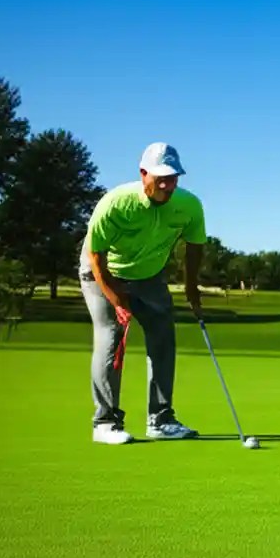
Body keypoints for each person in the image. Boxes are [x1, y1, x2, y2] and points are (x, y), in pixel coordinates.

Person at [79, 142, 207, 444]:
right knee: (112, 337)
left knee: (163, 339)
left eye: (173, 177)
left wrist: (191, 287)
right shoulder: (115, 204)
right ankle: (105, 422)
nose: (166, 184)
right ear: (143, 174)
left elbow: (194, 247)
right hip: (104, 272)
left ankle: (161, 420)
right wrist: (116, 300)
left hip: (149, 276)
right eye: (160, 177)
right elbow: (96, 258)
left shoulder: (189, 206)